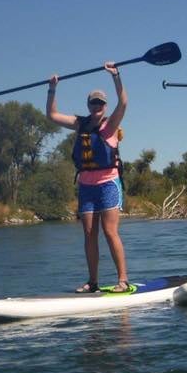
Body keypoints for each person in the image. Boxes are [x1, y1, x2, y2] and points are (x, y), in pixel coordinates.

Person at [46, 63, 129, 292]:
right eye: (93, 103)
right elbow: (51, 115)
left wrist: (116, 77)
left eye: (100, 103)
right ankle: (93, 282)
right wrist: (52, 89)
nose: (97, 106)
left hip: (108, 184)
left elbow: (123, 102)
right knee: (89, 233)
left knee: (110, 231)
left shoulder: (110, 125)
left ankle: (123, 280)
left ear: (105, 106)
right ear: (88, 105)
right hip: (86, 186)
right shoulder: (79, 123)